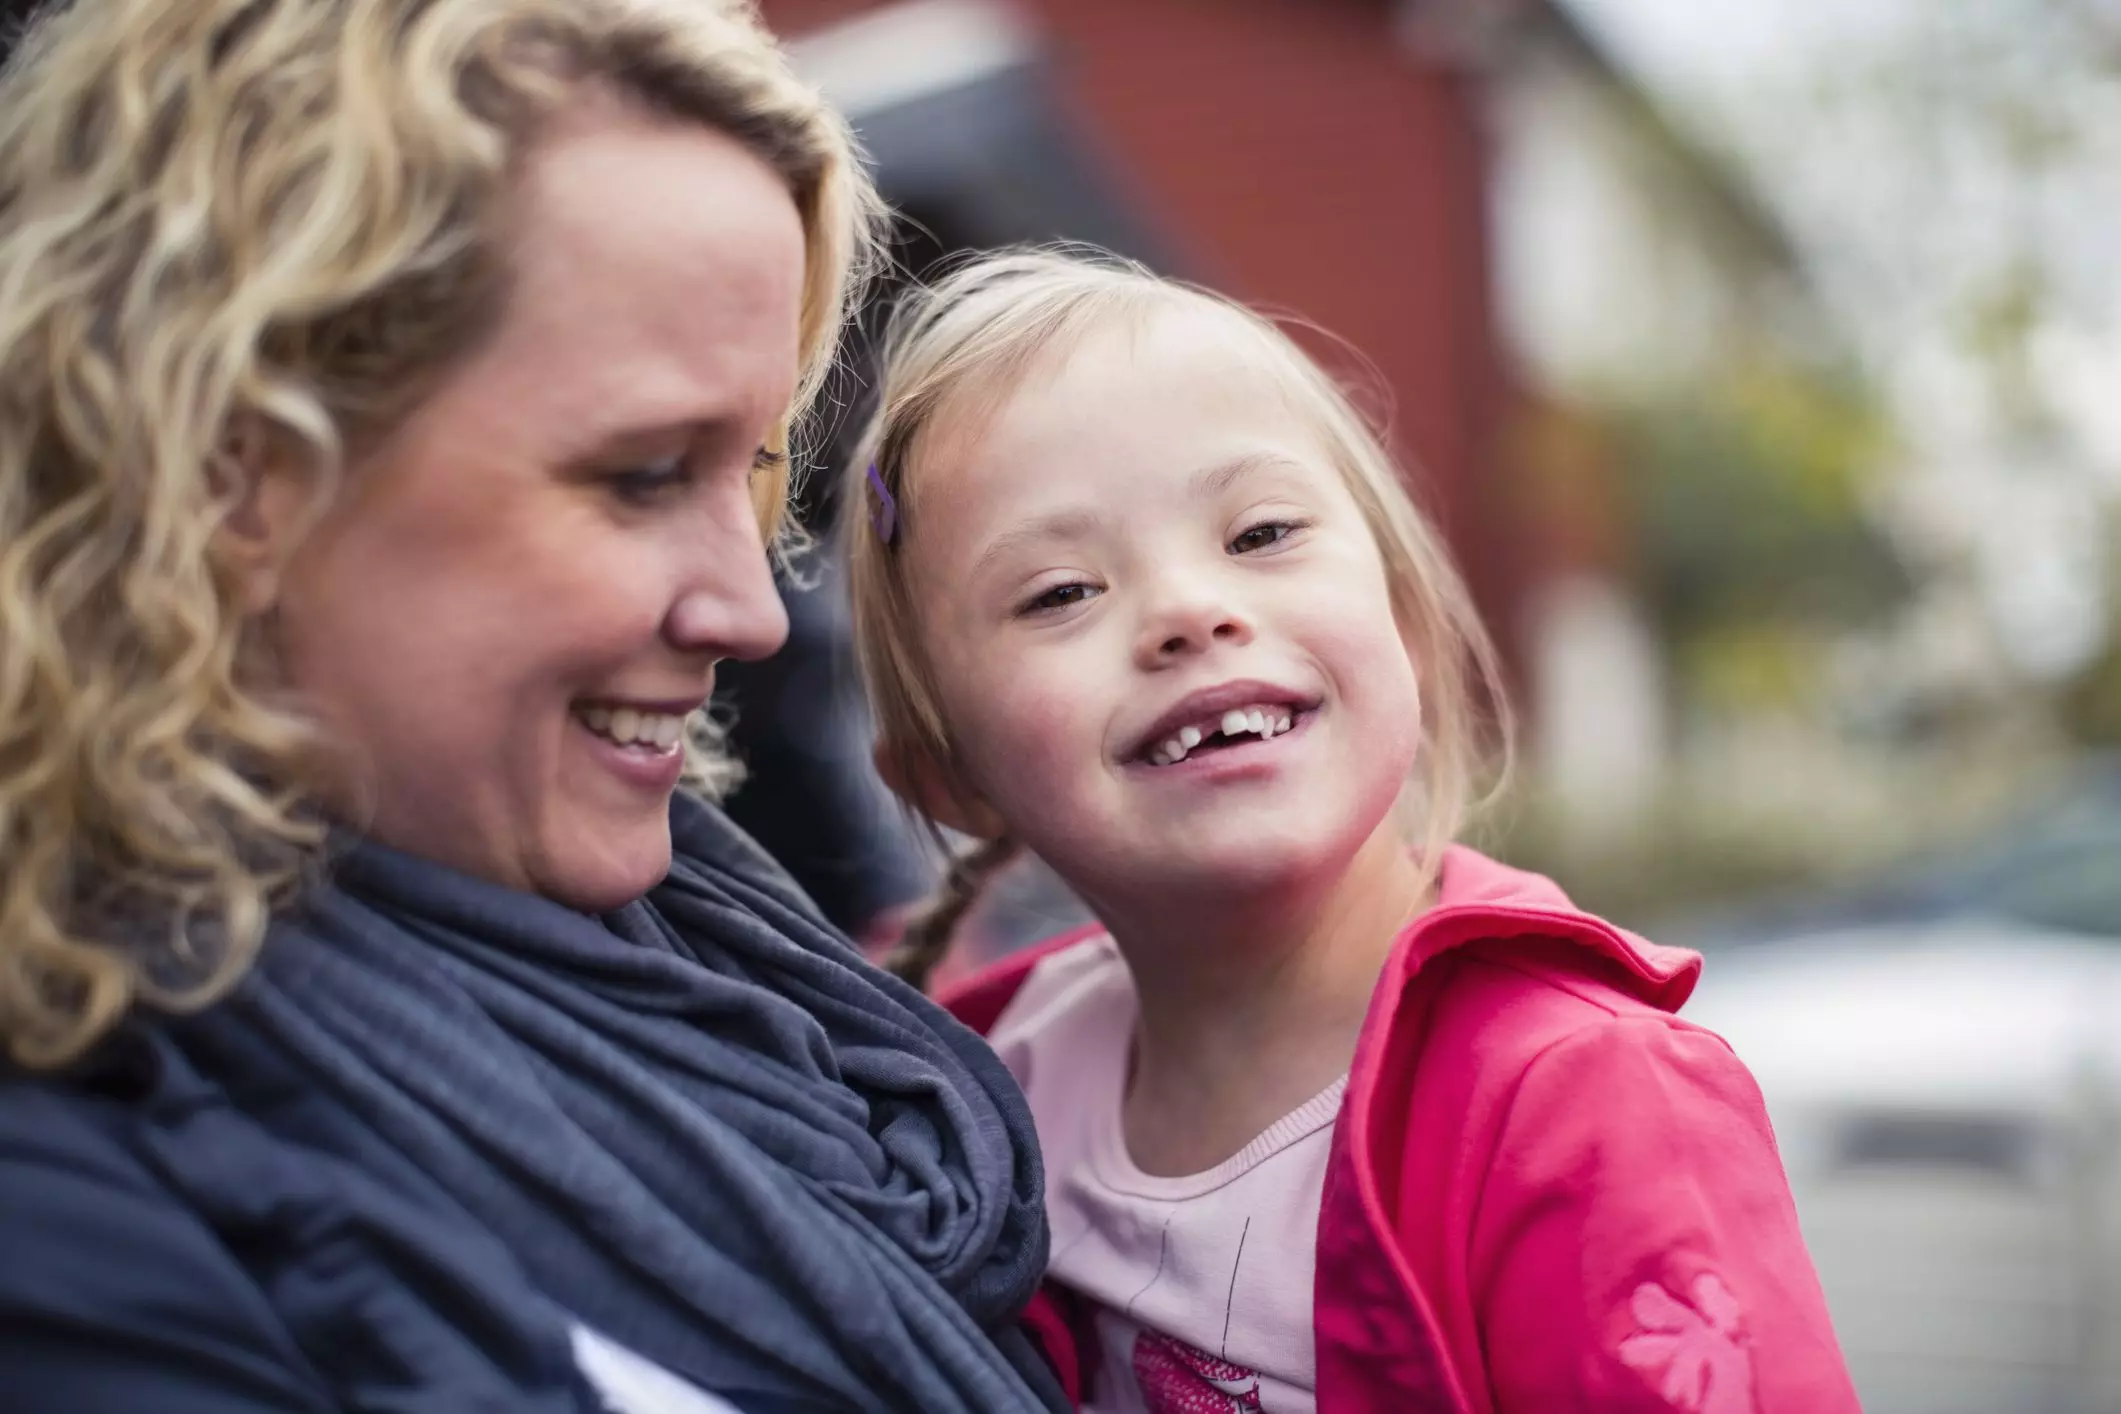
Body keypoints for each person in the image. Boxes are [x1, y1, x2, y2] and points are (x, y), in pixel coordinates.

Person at [0, 3, 1066, 1411]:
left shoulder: (745, 985)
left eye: (748, 469)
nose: (751, 612)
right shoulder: (80, 1186)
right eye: (638, 474)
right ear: (230, 467)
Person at [843, 248, 1862, 1412]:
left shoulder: (1583, 1104)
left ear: (1407, 631)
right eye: (1061, 592)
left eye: (1262, 532)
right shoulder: (985, 1101)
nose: (1187, 610)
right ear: (948, 775)